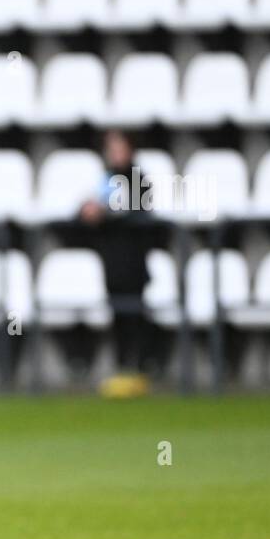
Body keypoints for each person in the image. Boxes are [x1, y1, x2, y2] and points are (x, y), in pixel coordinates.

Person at [76, 129, 155, 398]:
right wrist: (87, 210)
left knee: (135, 313)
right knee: (118, 314)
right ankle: (123, 369)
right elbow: (90, 207)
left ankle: (140, 369)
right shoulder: (106, 178)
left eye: (118, 147)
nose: (114, 152)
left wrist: (106, 214)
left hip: (133, 259)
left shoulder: (138, 179)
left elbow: (139, 211)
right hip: (112, 260)